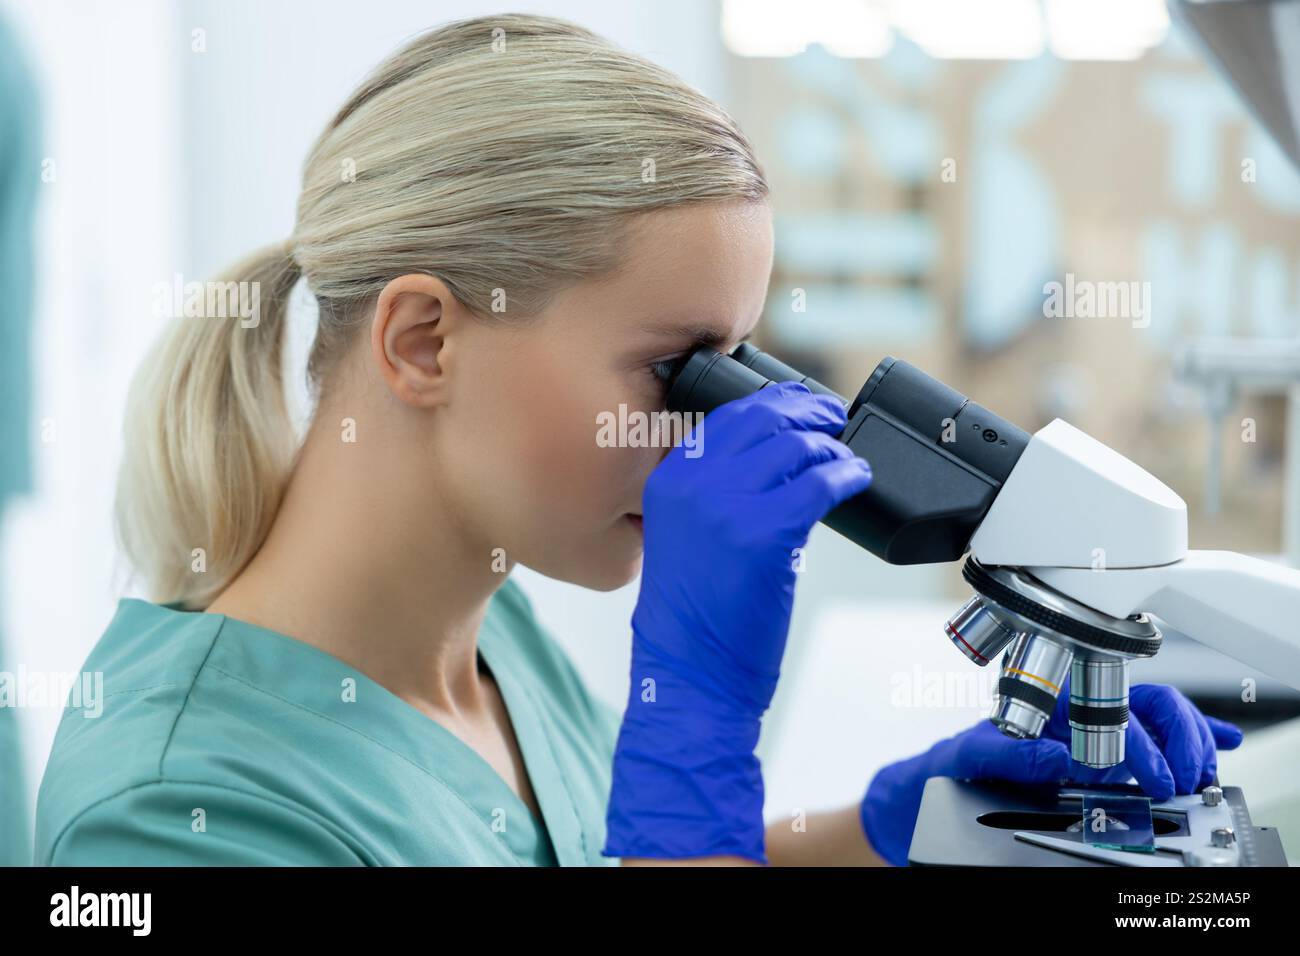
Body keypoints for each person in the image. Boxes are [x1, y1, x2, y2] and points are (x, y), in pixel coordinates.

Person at [33, 13, 1239, 867]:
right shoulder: (183, 809)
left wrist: (886, 828)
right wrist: (696, 719)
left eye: (740, 360)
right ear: (422, 342)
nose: (720, 426)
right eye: (679, 369)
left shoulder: (488, 638)